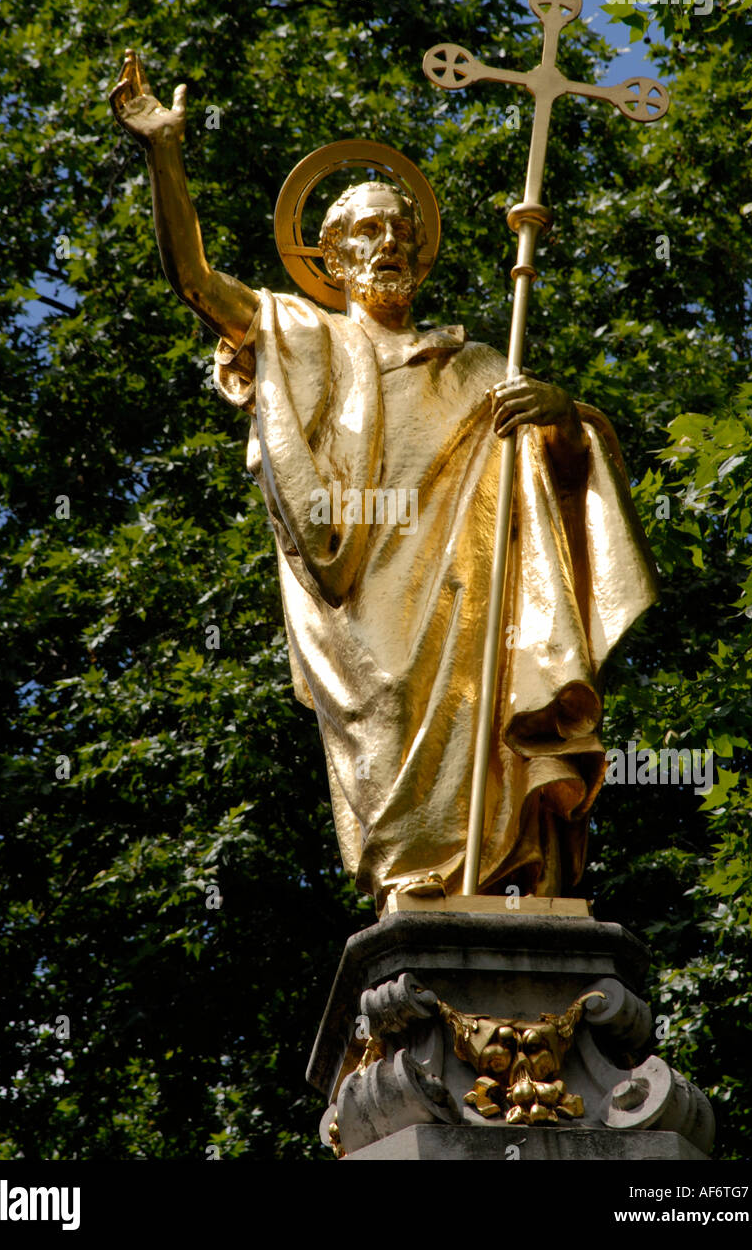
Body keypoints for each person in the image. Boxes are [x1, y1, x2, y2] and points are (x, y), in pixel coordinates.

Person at [111, 50, 658, 910]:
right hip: (365, 600)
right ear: (328, 258)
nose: (388, 242)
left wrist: (558, 411)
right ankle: (419, 906)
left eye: (400, 228)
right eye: (365, 231)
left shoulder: (479, 363)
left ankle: (510, 884)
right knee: (391, 717)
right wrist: (164, 156)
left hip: (472, 603)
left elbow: (562, 465)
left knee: (491, 730)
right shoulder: (307, 338)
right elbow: (196, 281)